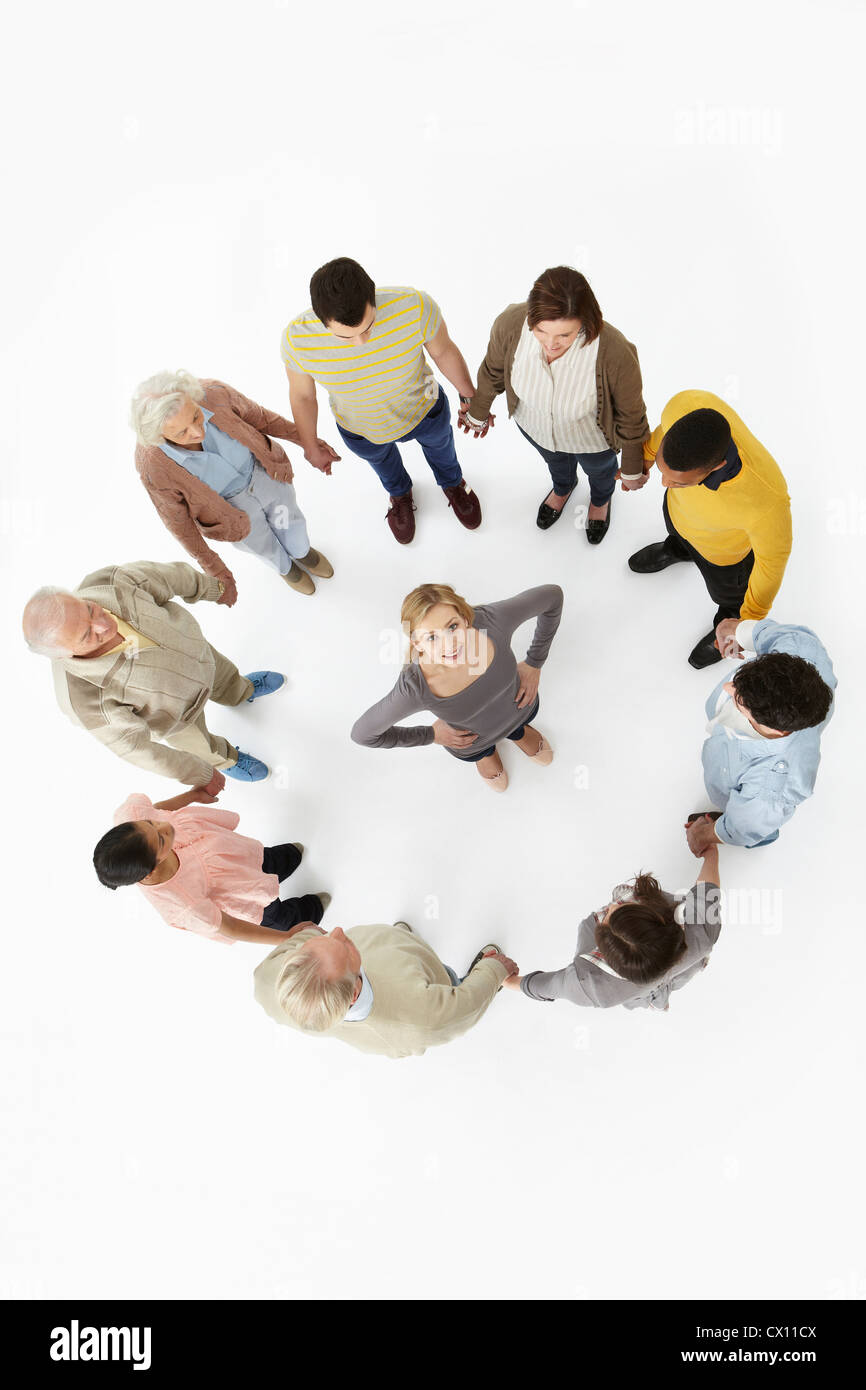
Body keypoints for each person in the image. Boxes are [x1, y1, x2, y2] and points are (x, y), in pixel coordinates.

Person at [22, 559, 283, 787]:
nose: (104, 623)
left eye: (90, 609)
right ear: (63, 654)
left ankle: (241, 691)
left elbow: (170, 577)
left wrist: (214, 590)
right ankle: (226, 761)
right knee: (203, 747)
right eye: (88, 635)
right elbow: (141, 751)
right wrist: (201, 774)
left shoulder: (107, 582)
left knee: (226, 677)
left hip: (200, 656)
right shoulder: (82, 701)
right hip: (179, 719)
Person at [281, 256, 482, 545]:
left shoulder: (415, 305)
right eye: (346, 337)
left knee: (442, 450)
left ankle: (453, 483)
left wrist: (468, 394)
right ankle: (399, 495)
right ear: (321, 319)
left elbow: (443, 352)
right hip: (361, 427)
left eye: (368, 326)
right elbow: (302, 395)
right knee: (384, 465)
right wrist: (310, 446)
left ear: (372, 296)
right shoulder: (297, 340)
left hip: (425, 410)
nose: (361, 342)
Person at [458, 265, 649, 545]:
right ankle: (563, 487)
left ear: (585, 321)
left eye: (564, 335)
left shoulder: (615, 351)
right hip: (534, 426)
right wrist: (478, 411)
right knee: (555, 462)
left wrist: (632, 469)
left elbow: (631, 415)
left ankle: (600, 501)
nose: (551, 344)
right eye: (541, 331)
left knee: (600, 472)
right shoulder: (510, 323)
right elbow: (493, 371)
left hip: (591, 441)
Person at [130, 371, 333, 601]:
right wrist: (214, 567)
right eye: (182, 432)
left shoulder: (214, 393)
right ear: (158, 436)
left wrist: (309, 443)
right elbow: (178, 522)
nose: (197, 431)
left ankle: (301, 551)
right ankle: (286, 568)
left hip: (264, 475)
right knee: (261, 544)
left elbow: (263, 419)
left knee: (288, 518)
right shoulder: (153, 465)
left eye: (196, 416)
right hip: (230, 512)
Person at [627, 390, 793, 668]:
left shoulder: (767, 501)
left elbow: (771, 565)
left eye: (680, 482)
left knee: (729, 601)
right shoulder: (685, 405)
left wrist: (747, 621)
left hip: (723, 557)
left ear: (716, 467)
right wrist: (646, 456)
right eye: (662, 470)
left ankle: (725, 627)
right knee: (677, 533)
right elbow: (662, 432)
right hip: (682, 518)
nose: (664, 483)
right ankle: (678, 550)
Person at [351, 582, 563, 792]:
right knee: (482, 749)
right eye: (432, 637)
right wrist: (430, 735)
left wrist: (535, 662)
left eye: (452, 627)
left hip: (518, 709)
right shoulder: (415, 689)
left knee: (516, 727)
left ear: (465, 618)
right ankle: (486, 753)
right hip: (475, 741)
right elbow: (363, 734)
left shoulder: (495, 622)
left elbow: (553, 597)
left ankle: (517, 733)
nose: (450, 644)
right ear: (417, 644)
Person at [93, 788, 329, 945]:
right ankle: (308, 909)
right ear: (152, 869)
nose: (166, 828)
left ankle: (285, 859)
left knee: (264, 858)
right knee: (275, 915)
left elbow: (157, 809)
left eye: (151, 824)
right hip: (238, 894)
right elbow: (231, 926)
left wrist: (193, 795)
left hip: (230, 852)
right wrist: (284, 938)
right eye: (161, 840)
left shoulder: (129, 817)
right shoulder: (183, 903)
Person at [254, 919, 517, 1058]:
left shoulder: (269, 982)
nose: (335, 930)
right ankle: (416, 949)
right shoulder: (419, 1016)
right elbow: (463, 1007)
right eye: (344, 947)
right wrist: (493, 971)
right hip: (426, 975)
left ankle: (401, 938)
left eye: (320, 943)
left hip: (391, 950)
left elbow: (302, 940)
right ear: (354, 993)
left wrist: (305, 935)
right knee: (448, 982)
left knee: (397, 943)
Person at [506, 848, 721, 1011]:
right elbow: (708, 890)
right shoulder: (703, 929)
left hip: (641, 991)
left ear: (603, 947)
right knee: (681, 974)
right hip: (687, 963)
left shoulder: (590, 985)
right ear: (656, 916)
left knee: (652, 992)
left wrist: (510, 982)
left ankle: (656, 999)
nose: (614, 903)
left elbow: (549, 986)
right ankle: (665, 991)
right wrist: (710, 850)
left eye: (612, 912)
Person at [686, 618, 836, 851]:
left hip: (751, 808)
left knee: (756, 824)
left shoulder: (770, 791)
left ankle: (765, 834)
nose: (727, 688)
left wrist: (702, 836)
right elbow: (763, 632)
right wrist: (732, 630)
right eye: (738, 681)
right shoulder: (800, 647)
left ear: (776, 730)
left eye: (739, 700)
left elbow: (742, 828)